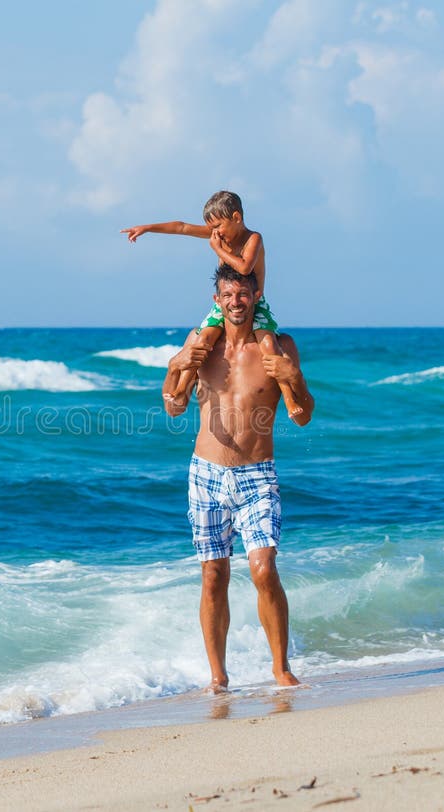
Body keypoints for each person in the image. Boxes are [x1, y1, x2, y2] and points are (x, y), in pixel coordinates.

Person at [162, 264, 314, 691]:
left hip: (257, 476)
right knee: (214, 575)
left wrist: (294, 378)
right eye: (227, 295)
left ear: (256, 296)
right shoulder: (201, 346)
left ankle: (280, 668)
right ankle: (218, 677)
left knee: (264, 570)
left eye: (243, 294)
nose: (235, 302)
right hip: (205, 475)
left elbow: (302, 416)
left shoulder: (278, 348)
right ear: (217, 300)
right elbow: (173, 406)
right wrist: (175, 365)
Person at [122, 190, 302, 418]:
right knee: (202, 340)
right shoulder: (218, 234)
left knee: (270, 347)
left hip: (254, 303)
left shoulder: (253, 238)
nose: (214, 233)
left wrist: (217, 249)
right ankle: (180, 390)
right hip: (225, 304)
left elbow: (245, 268)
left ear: (236, 218)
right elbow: (182, 227)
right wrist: (147, 228)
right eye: (212, 228)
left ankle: (289, 399)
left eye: (218, 226)